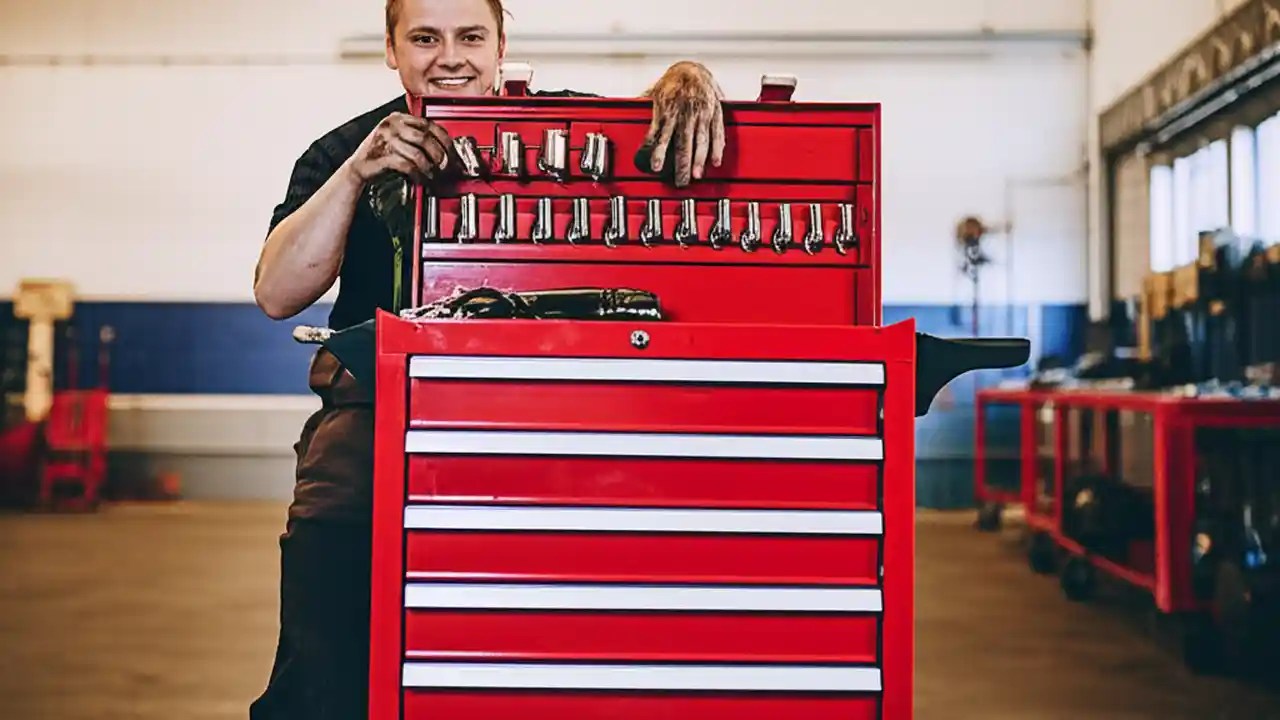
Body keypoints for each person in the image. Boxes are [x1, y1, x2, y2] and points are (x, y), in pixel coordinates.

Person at [248, 0, 729, 717]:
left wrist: (688, 76)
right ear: (391, 49)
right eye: (424, 38)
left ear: (501, 45)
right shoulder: (345, 150)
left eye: (470, 36)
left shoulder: (563, 129)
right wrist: (354, 174)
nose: (450, 57)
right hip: (373, 437)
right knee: (322, 677)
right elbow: (276, 293)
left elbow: (653, 133)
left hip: (548, 440)